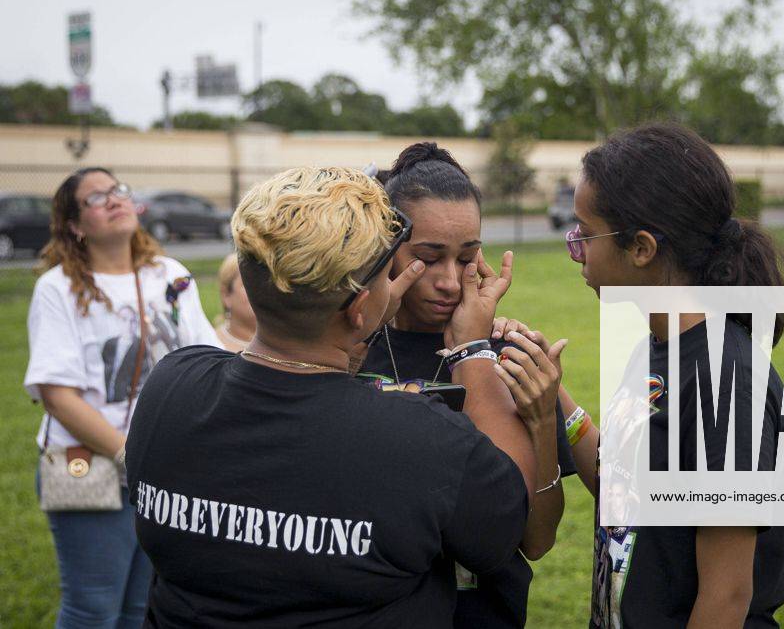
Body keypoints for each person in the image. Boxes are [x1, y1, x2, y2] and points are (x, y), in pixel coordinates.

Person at [125, 166, 540, 627]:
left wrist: (352, 335)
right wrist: (474, 351)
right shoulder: (419, 438)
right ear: (360, 307)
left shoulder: (170, 386)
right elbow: (506, 520)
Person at [496, 123, 784, 627]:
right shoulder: (657, 348)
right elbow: (624, 490)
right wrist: (552, 393)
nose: (576, 249)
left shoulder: (726, 382)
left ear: (641, 248)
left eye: (585, 234)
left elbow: (726, 597)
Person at [356, 143, 574, 629]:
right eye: (429, 258)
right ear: (387, 246)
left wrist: (541, 421)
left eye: (467, 257)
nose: (451, 282)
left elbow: (537, 540)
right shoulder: (349, 347)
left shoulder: (508, 355)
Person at [24, 167, 220, 629]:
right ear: (74, 225)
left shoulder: (170, 275)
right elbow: (57, 395)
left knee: (141, 608)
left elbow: (206, 359)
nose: (113, 200)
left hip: (165, 468)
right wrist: (129, 456)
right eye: (96, 198)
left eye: (118, 190)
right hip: (92, 465)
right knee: (92, 609)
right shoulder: (58, 288)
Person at [215, 252, 256, 351]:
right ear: (226, 295)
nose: (260, 290)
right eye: (249, 283)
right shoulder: (212, 344)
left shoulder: (286, 342)